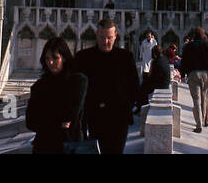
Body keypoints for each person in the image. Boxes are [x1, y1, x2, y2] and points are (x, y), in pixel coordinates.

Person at [74, 18, 139, 154]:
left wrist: (128, 105)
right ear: (96, 35)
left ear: (115, 36)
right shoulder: (84, 57)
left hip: (119, 118)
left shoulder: (125, 57)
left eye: (109, 38)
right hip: (95, 117)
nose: (105, 42)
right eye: (102, 37)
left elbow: (134, 86)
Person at [26, 38, 88, 154]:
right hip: (43, 146)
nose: (50, 62)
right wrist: (58, 122)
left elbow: (71, 116)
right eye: (47, 58)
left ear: (64, 58)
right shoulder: (39, 86)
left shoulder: (78, 81)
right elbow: (30, 122)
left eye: (55, 58)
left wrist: (47, 120)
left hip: (69, 146)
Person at [179, 27, 208, 132]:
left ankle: (199, 124)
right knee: (204, 98)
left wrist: (182, 74)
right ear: (203, 35)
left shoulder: (189, 46)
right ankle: (205, 120)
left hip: (193, 74)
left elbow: (184, 61)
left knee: (196, 100)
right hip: (206, 75)